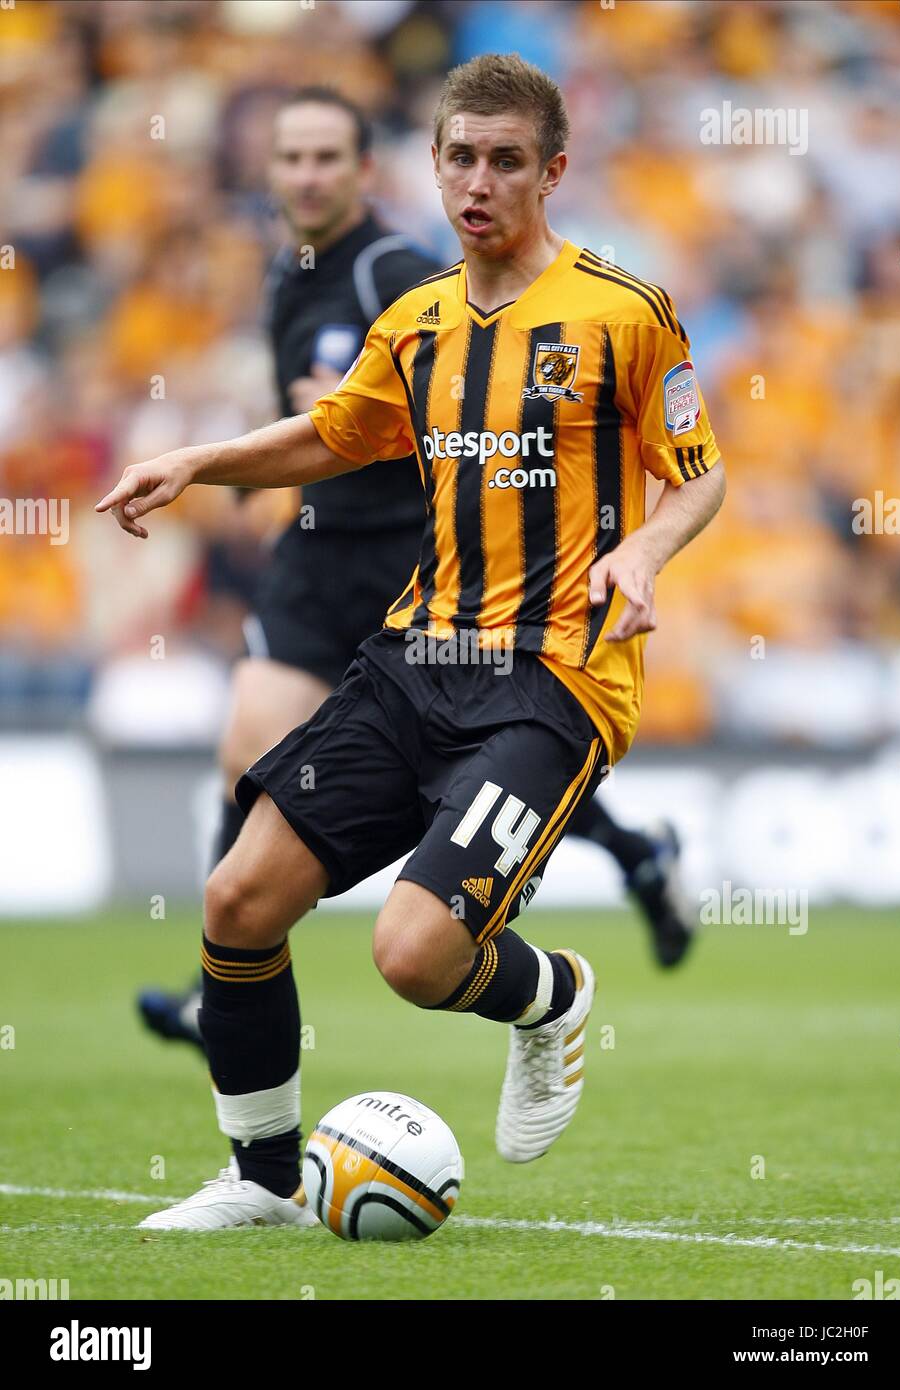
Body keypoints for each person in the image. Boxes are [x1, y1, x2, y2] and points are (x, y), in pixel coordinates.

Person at [99, 53, 725, 1231]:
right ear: (434, 167)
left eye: (504, 161)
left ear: (553, 172)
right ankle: (263, 1179)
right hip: (414, 657)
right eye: (460, 158)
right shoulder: (420, 321)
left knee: (415, 954)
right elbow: (334, 436)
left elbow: (698, 475)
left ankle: (550, 996)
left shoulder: (623, 315)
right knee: (237, 900)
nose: (478, 182)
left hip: (553, 679)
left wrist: (642, 553)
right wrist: (197, 461)